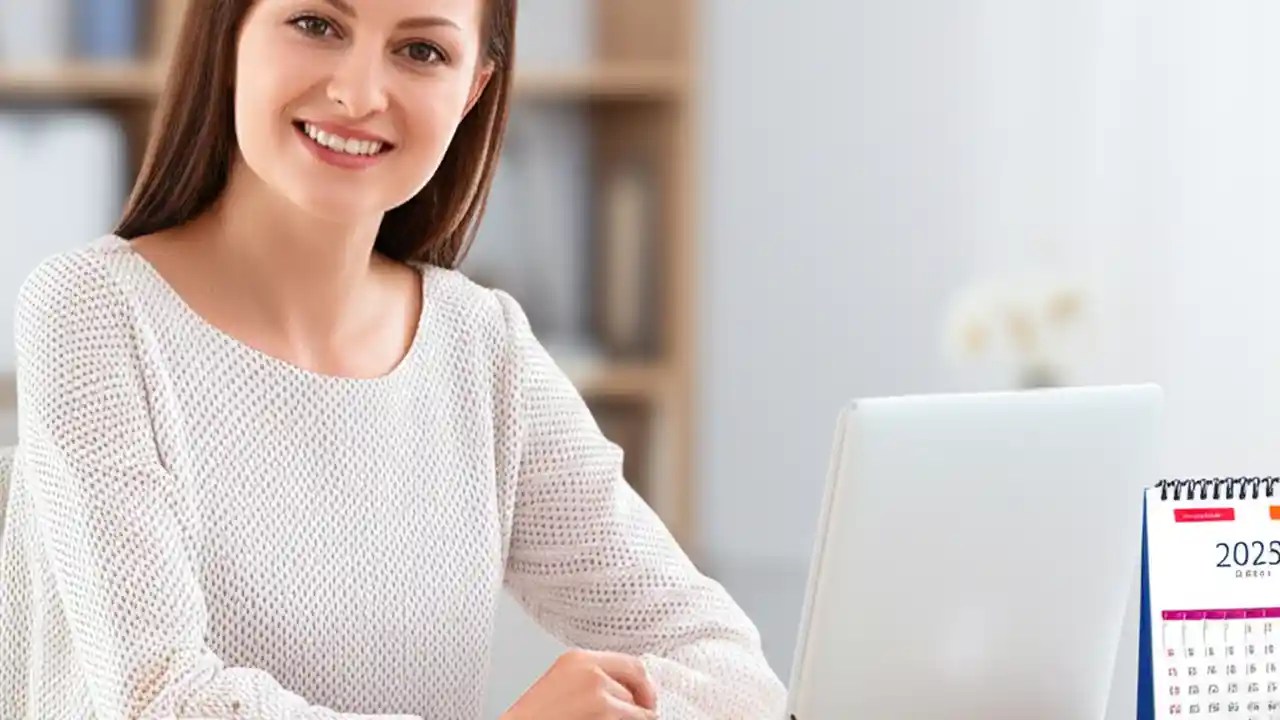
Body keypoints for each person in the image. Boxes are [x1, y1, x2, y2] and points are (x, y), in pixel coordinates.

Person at [0, 0, 787, 718]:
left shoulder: (482, 348)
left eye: (420, 51)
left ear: (473, 90)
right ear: (227, 32)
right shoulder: (93, 310)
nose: (359, 93)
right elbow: (159, 700)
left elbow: (730, 663)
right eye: (317, 24)